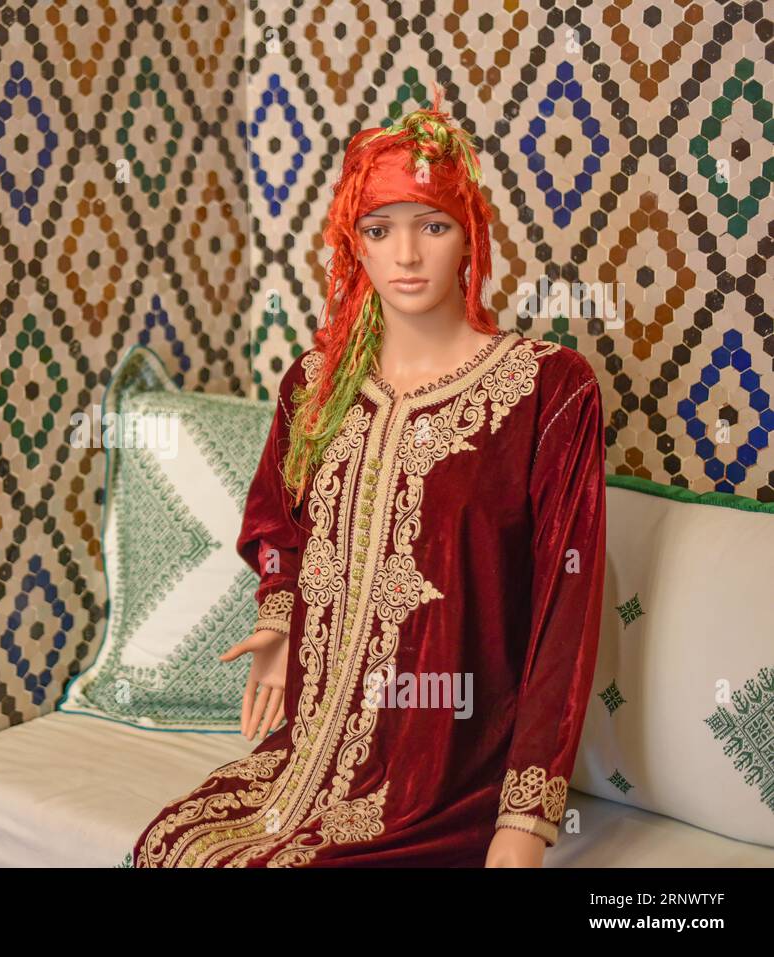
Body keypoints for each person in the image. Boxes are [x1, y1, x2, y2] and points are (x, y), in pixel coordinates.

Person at [129, 88, 607, 867]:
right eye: (380, 231)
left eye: (434, 226)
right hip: (303, 754)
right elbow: (279, 519)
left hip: (444, 775)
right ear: (354, 243)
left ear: (471, 236)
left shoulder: (548, 389)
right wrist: (281, 620)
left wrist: (523, 826)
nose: (407, 256)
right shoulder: (317, 383)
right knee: (174, 847)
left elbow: (566, 609)